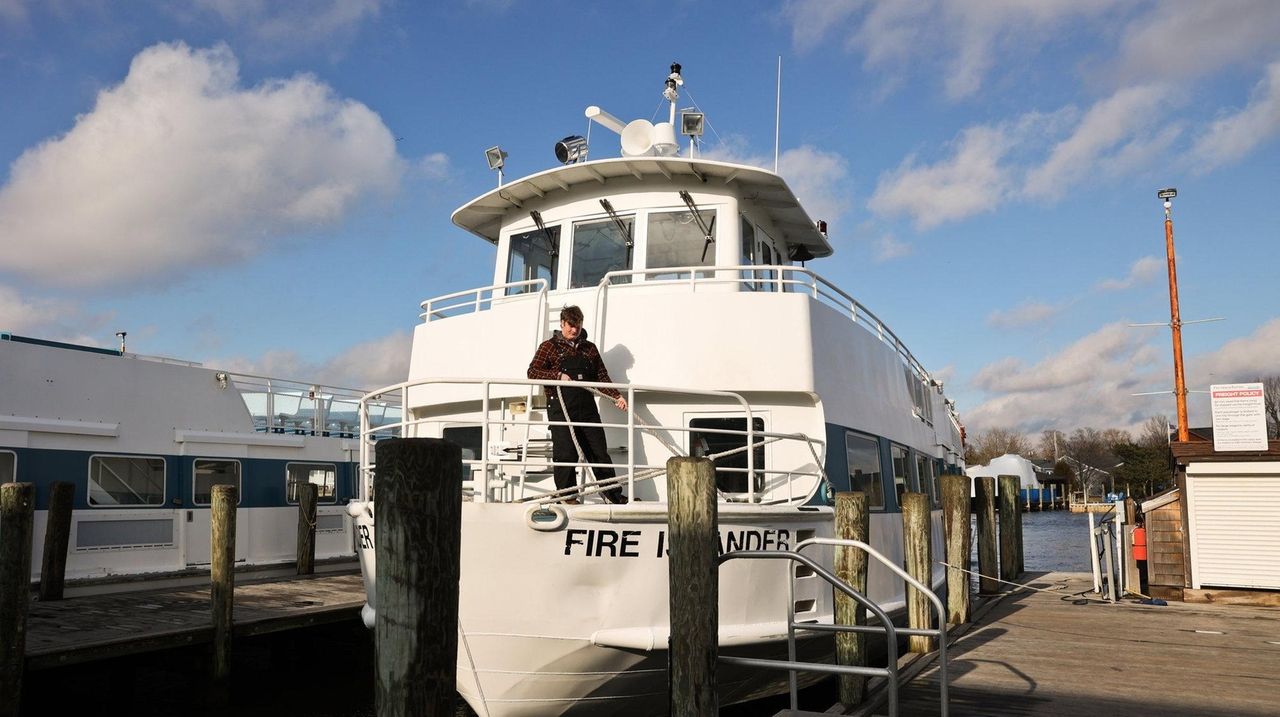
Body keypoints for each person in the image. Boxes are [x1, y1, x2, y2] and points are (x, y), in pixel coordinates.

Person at [527, 306, 629, 504]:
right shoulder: (548, 347)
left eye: (578, 325)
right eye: (571, 326)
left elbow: (601, 376)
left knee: (599, 451)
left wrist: (615, 396)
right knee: (566, 452)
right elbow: (532, 372)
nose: (574, 330)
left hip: (587, 407)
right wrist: (557, 376)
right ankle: (568, 497)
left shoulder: (589, 348)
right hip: (561, 407)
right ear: (562, 324)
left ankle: (613, 495)